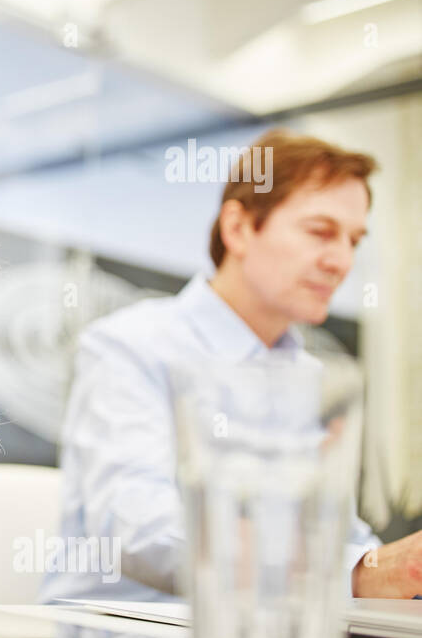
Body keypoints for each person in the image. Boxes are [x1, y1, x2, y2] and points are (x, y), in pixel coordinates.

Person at [40, 129, 422, 603]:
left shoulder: (306, 376)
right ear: (238, 228)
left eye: (353, 241)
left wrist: (400, 573)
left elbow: (340, 536)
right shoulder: (130, 346)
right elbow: (139, 528)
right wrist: (356, 575)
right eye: (321, 232)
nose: (342, 261)